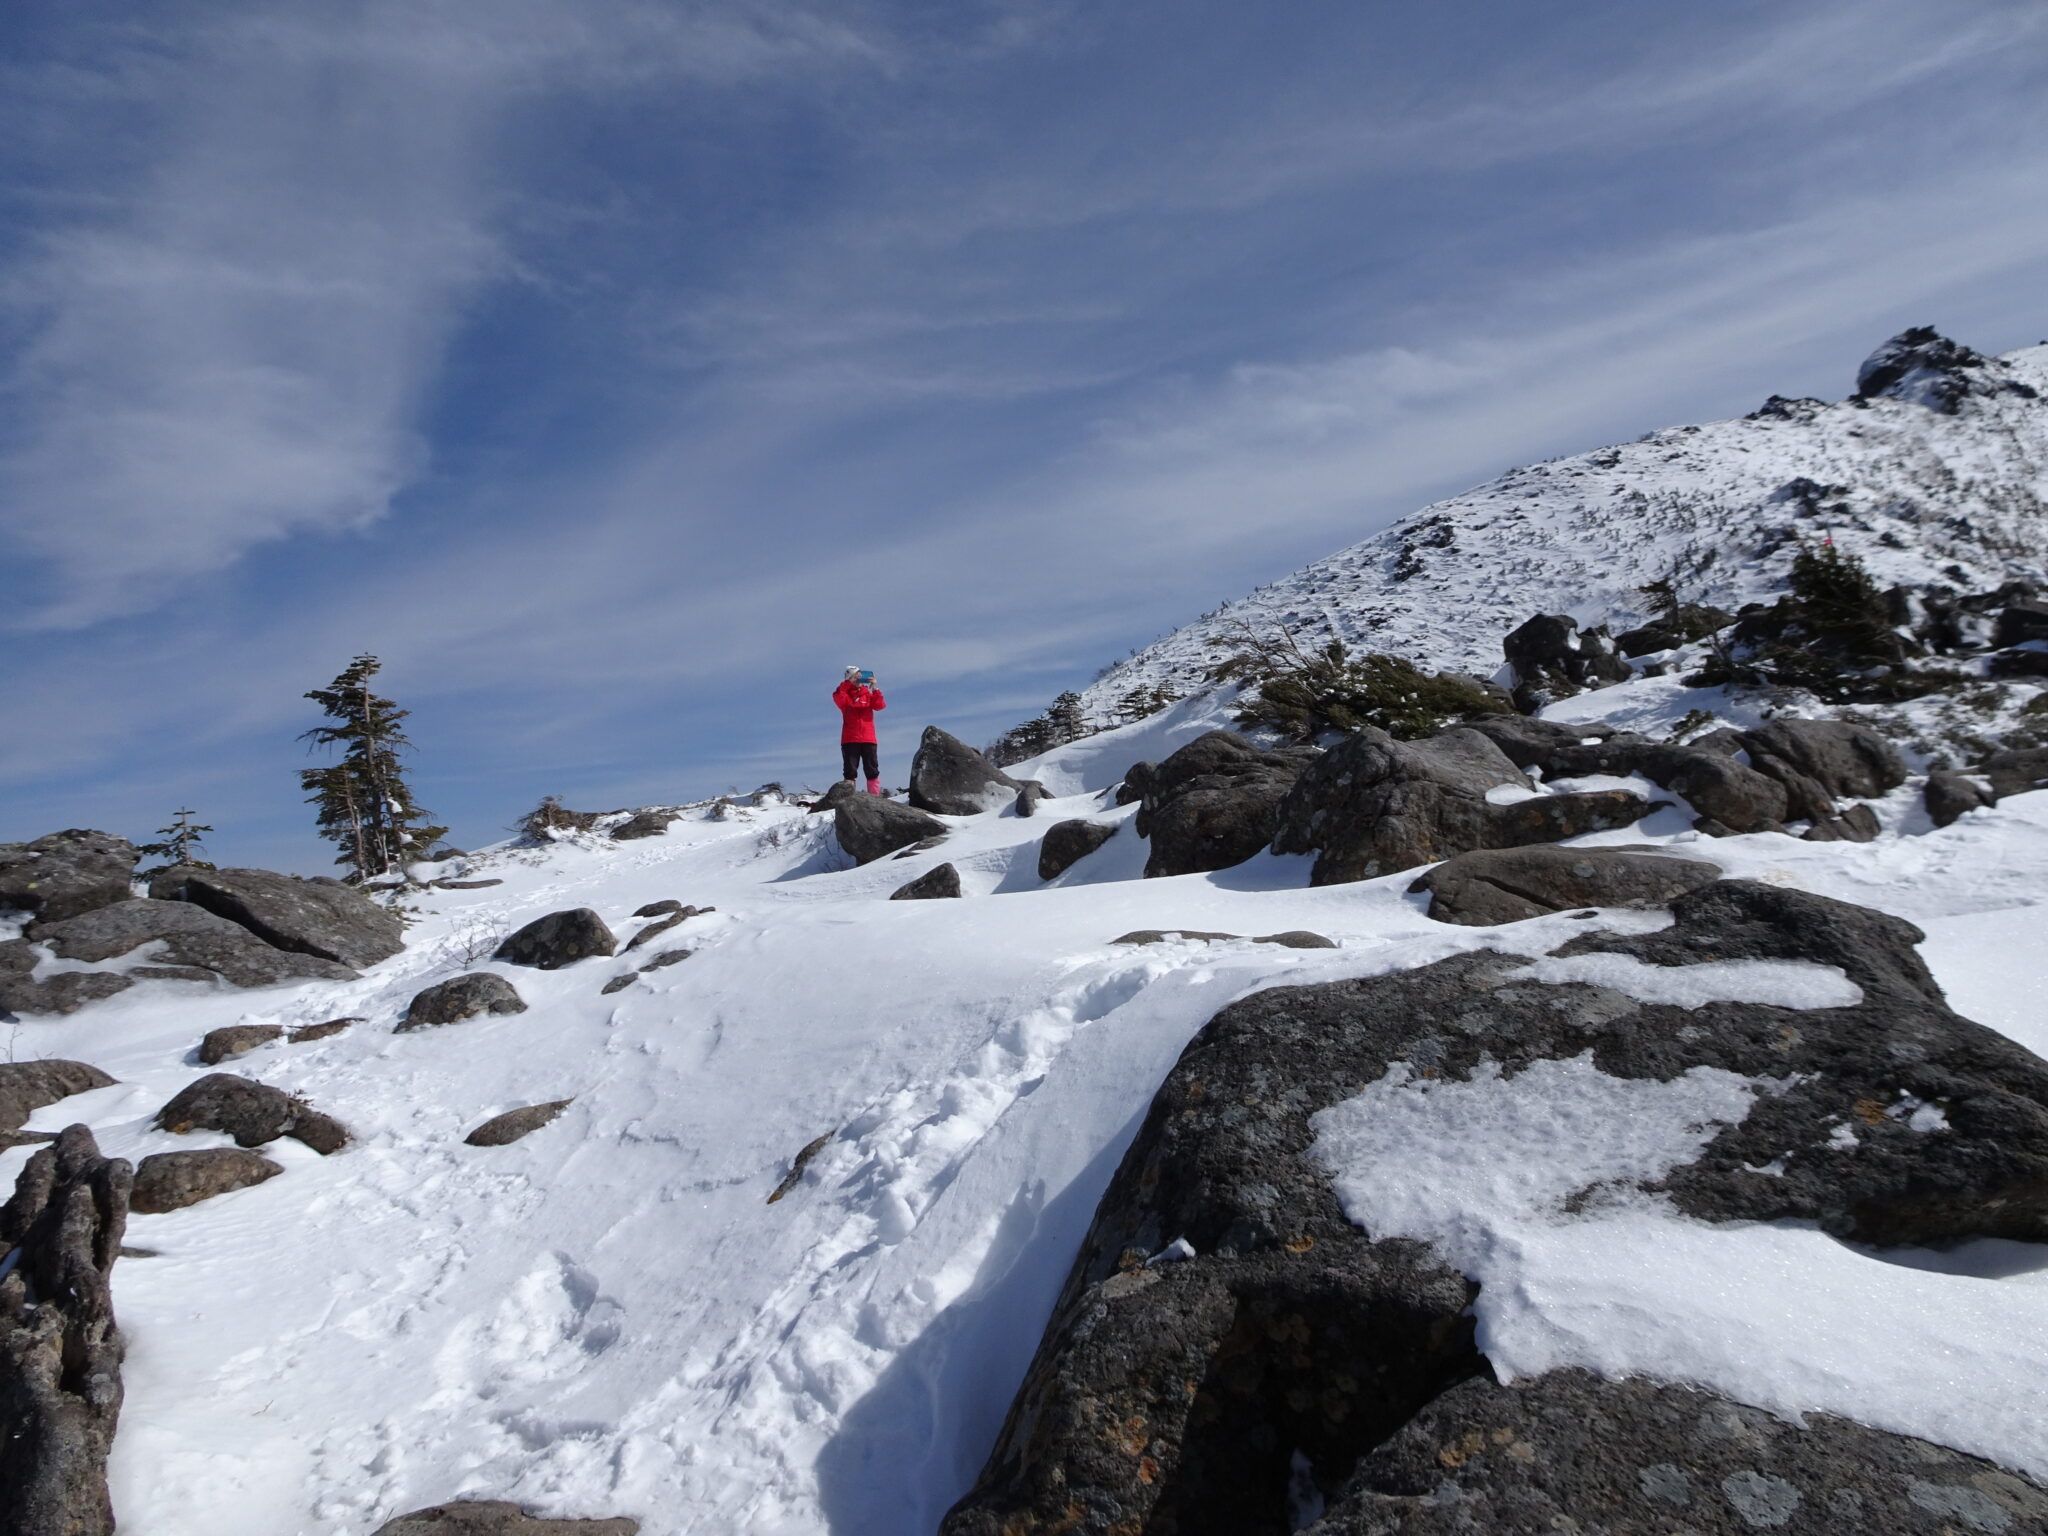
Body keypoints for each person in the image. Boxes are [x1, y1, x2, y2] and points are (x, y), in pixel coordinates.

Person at [833, 666, 887, 794]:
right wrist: (848, 683)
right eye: (855, 676)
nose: (858, 679)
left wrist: (875, 688)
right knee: (850, 771)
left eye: (859, 676)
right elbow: (839, 699)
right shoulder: (843, 694)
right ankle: (848, 798)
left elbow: (880, 706)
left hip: (868, 738)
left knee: (872, 770)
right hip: (850, 738)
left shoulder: (867, 694)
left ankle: (874, 799)